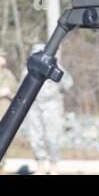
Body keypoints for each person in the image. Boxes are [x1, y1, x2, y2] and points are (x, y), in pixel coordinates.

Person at [21, 42, 73, 174]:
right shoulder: (28, 69)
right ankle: (40, 166)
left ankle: (53, 166)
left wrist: (57, 92)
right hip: (33, 106)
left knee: (52, 136)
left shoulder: (55, 67)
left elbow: (67, 82)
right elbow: (22, 88)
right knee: (35, 136)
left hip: (51, 106)